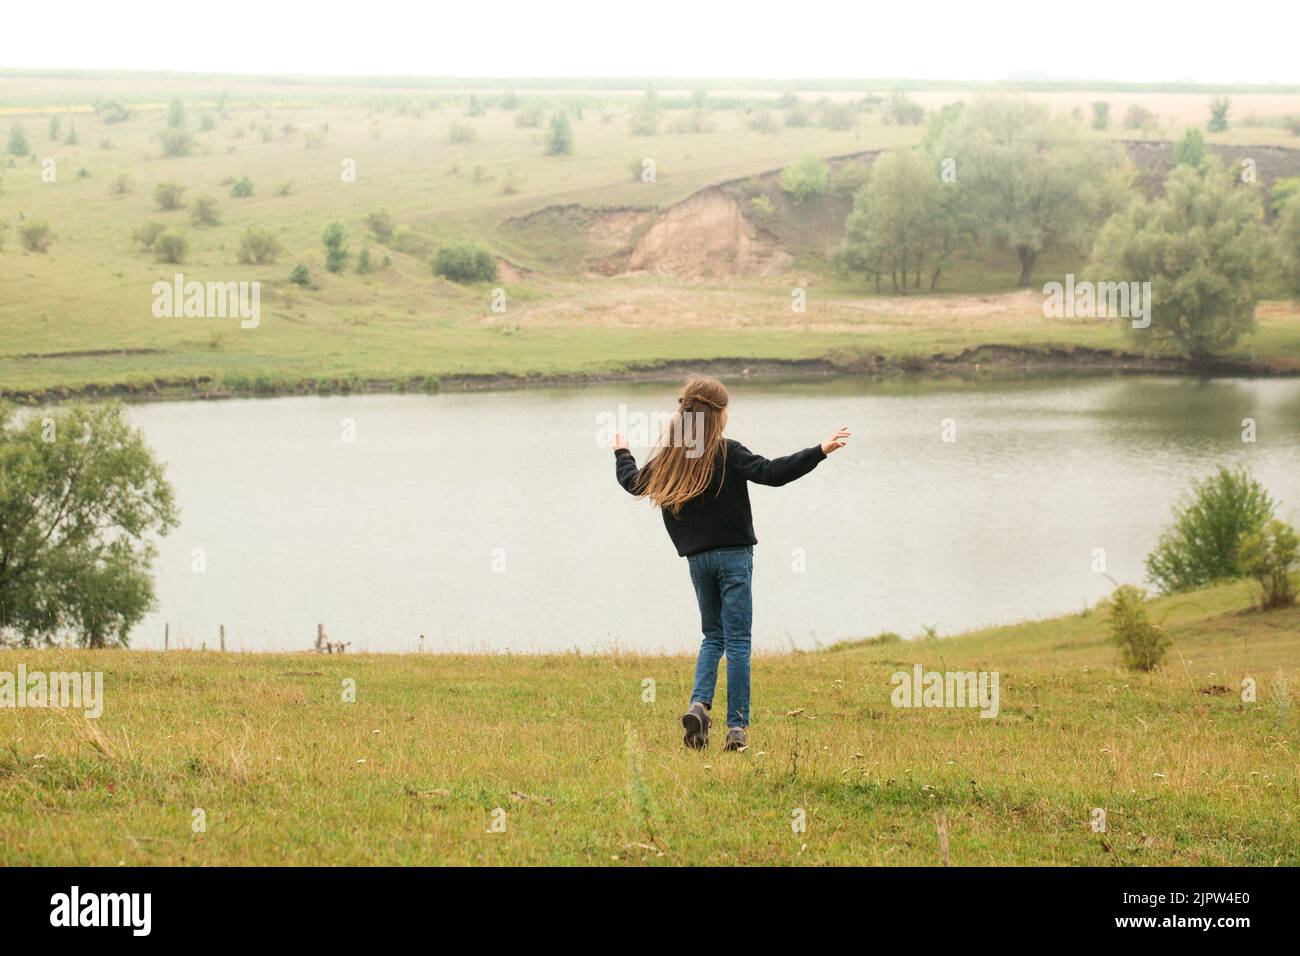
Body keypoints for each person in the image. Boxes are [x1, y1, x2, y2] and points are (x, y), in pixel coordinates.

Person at [612, 376, 850, 751]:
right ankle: (736, 730)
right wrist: (820, 450)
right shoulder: (728, 451)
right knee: (738, 641)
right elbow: (773, 473)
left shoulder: (673, 458)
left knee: (713, 636)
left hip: (697, 561)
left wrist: (621, 451)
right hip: (735, 559)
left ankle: (699, 705)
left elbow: (633, 483)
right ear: (719, 415)